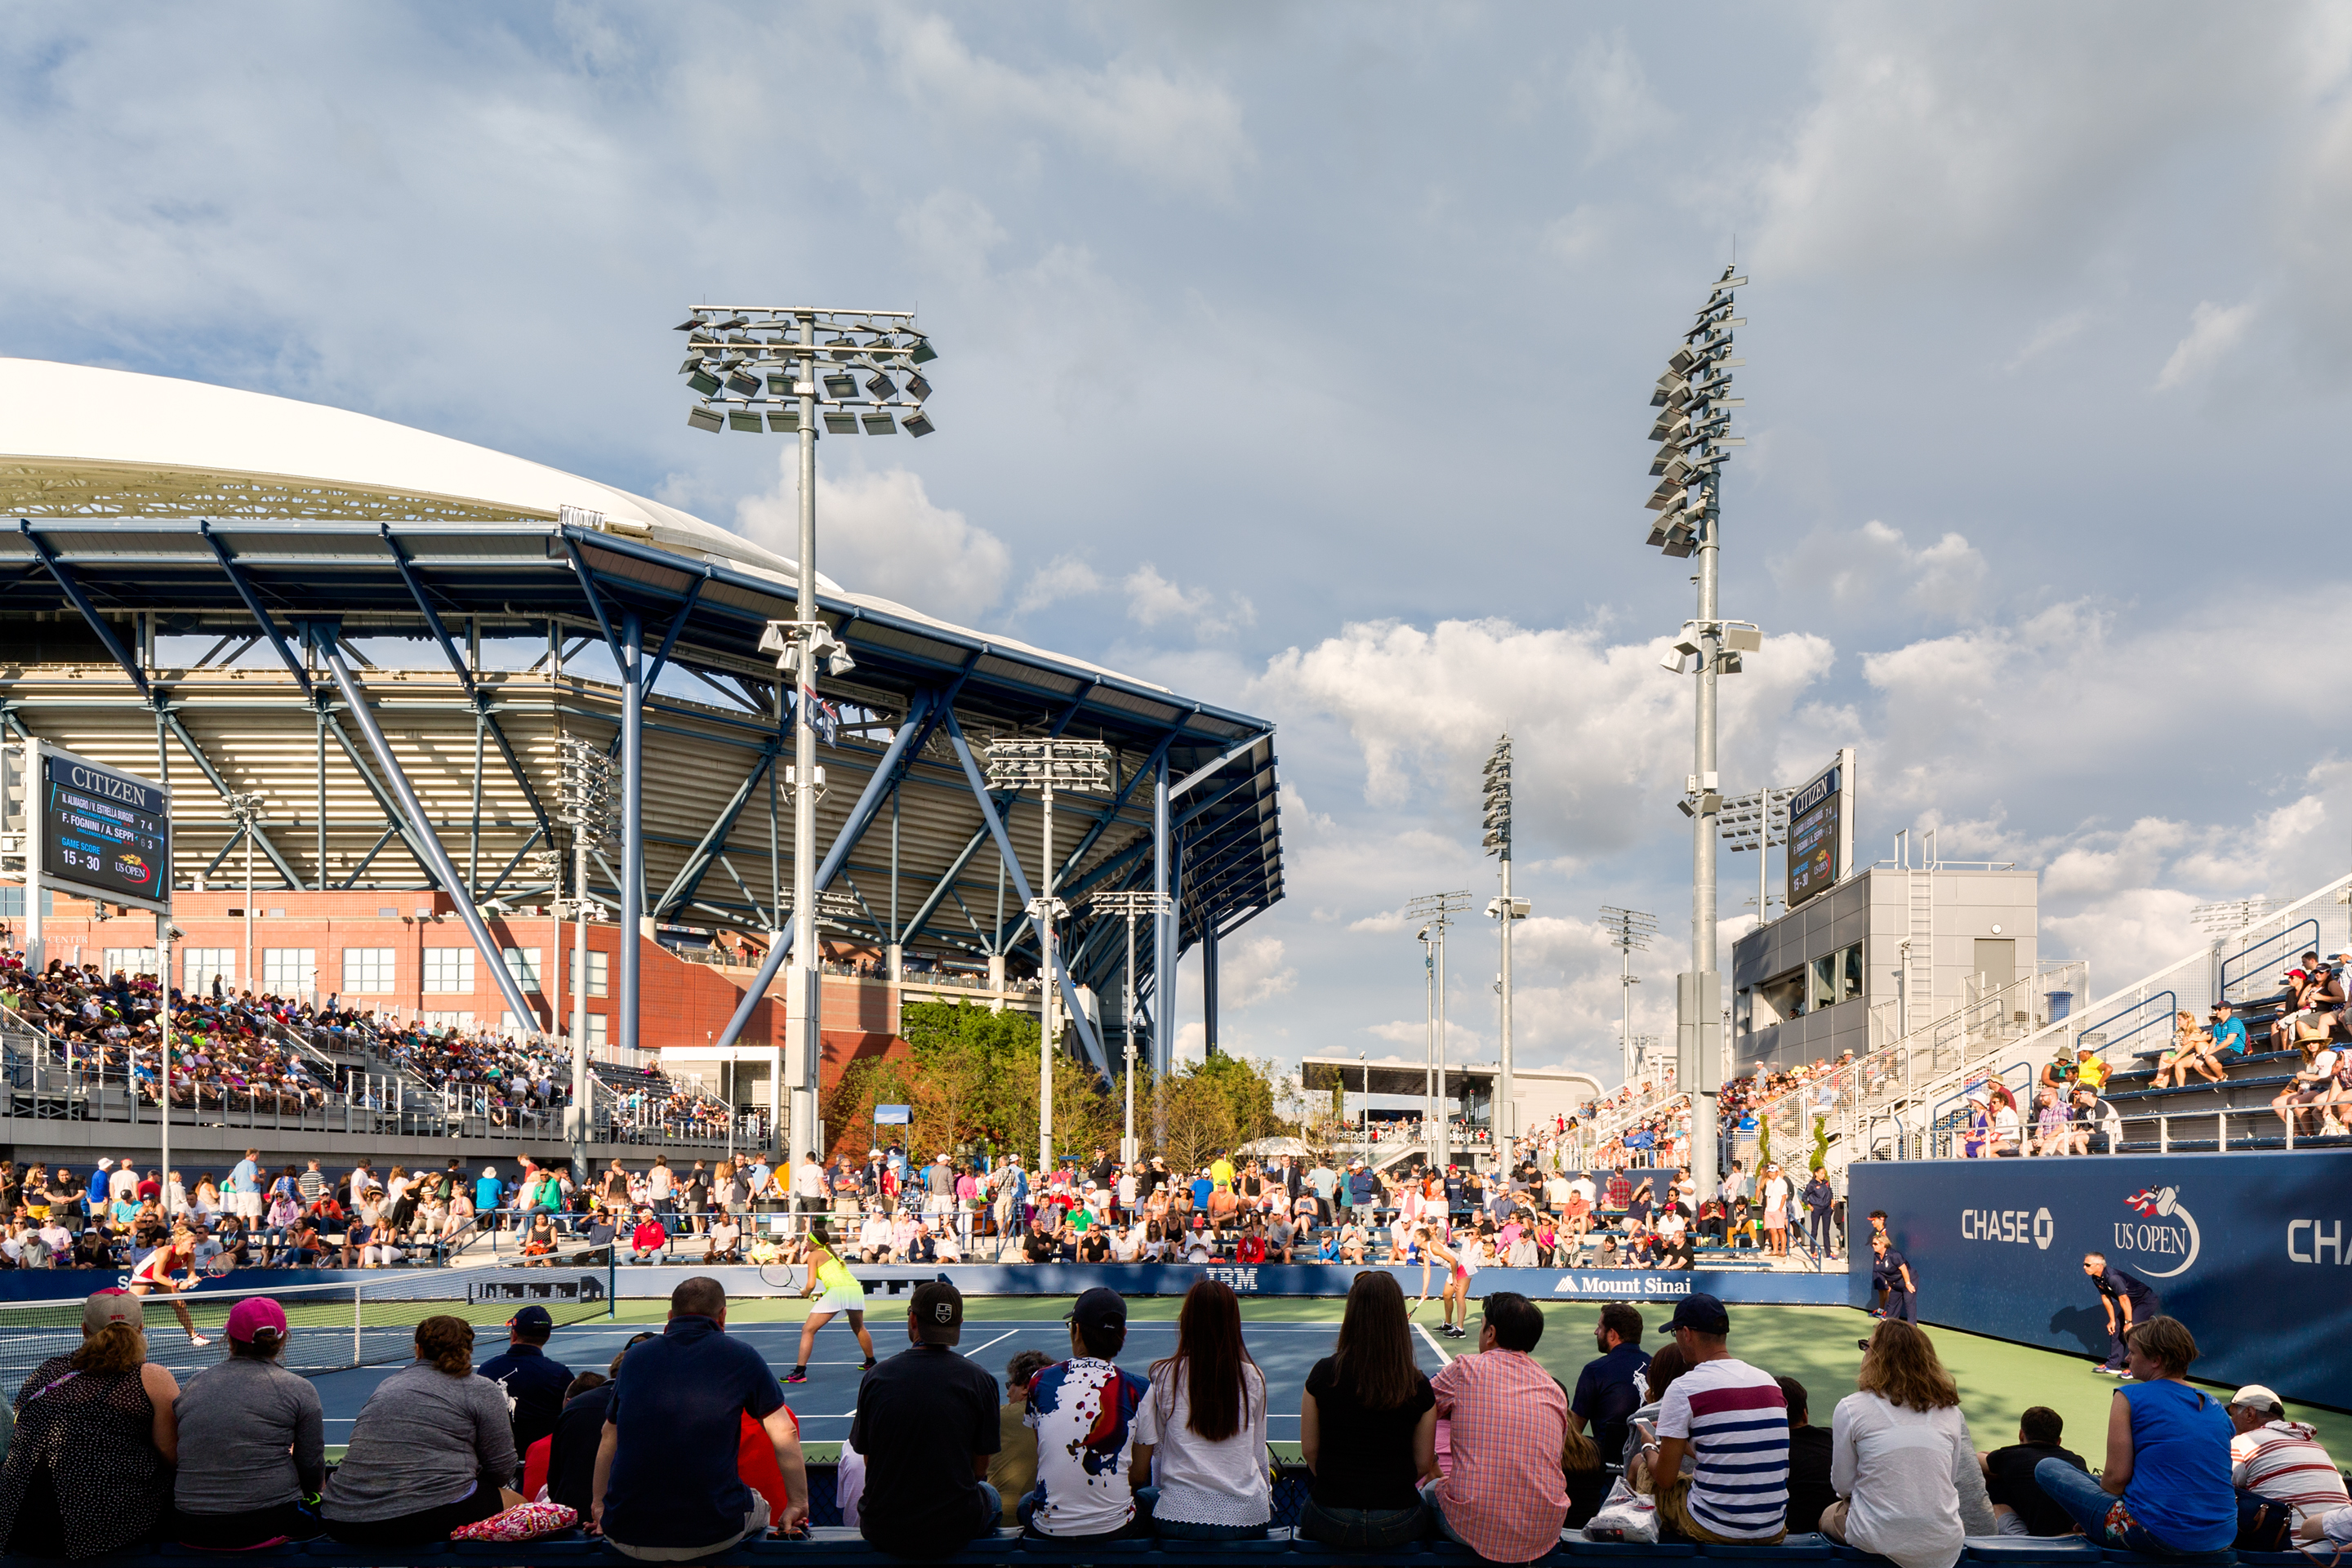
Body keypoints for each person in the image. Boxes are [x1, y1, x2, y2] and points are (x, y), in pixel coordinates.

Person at [593, 1276, 810, 1558]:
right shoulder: (742, 1356)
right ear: (723, 1316)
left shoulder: (634, 1359)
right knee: (760, 1504)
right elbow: (785, 1432)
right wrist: (798, 1502)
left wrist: (599, 1506)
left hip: (624, 1531)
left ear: (670, 1316)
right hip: (714, 1532)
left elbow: (608, 1435)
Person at [0, 1290, 179, 1558]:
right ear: (142, 1328)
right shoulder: (152, 1377)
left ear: (84, 1329)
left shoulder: (47, 1371)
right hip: (99, 1533)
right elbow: (171, 1455)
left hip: (17, 1525)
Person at [2034, 1316, 2234, 1554]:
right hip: (2221, 1537)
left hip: (2154, 1534)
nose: (2127, 1358)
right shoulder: (2217, 1407)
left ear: (2156, 1361)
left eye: (2134, 1353)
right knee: (2091, 1481)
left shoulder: (2129, 1396)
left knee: (2047, 1467)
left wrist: (2092, 1513)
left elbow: (2115, 1481)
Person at [319, 1316, 520, 1545]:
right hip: (421, 1518)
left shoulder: (388, 1385)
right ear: (468, 1350)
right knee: (521, 1506)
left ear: (418, 1348)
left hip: (341, 1518)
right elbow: (502, 1470)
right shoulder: (480, 1388)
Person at [1817, 1321, 1994, 1568]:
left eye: (1867, 1346)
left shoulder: (1851, 1407)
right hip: (1944, 1541)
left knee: (1829, 1515)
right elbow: (1948, 1478)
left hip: (1875, 1536)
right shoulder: (1951, 1411)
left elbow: (1843, 1484)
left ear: (1876, 1357)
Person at [850, 1281, 1002, 1557]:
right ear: (960, 1324)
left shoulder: (876, 1377)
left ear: (913, 1319)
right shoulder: (981, 1381)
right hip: (956, 1525)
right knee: (992, 1495)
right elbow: (979, 1472)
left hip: (883, 1524)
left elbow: (870, 1461)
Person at [170, 1298, 327, 1548]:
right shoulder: (299, 1389)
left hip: (191, 1526)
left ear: (229, 1340)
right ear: (282, 1340)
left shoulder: (193, 1384)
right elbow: (311, 1467)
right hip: (269, 1523)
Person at [1424, 1291, 1568, 1561]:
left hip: (1473, 1523)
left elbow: (1418, 1407)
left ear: (1490, 1333)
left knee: (1428, 1491)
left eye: (1481, 1327)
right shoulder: (1553, 1389)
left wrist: (1431, 1464)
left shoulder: (1465, 1367)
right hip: (1544, 1529)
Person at [1299, 1270, 1436, 1550]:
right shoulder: (1418, 1385)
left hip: (1329, 1516)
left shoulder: (1323, 1373)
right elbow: (1423, 1464)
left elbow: (1310, 1452)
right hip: (1398, 1519)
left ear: (1352, 1314)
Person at [1638, 1292, 1788, 1544]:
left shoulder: (1684, 1387)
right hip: (1772, 1528)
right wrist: (1685, 1448)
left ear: (1687, 1333)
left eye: (1676, 1334)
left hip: (1714, 1527)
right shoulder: (1769, 1382)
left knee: (1643, 1469)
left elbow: (1664, 1479)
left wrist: (1648, 1446)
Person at [1135, 1278, 1272, 1539]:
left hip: (1179, 1519)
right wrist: (1265, 1498)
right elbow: (1258, 1451)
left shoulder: (1164, 1376)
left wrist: (1167, 1499)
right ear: (1233, 1323)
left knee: (1146, 1498)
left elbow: (1159, 1455)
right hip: (1247, 1519)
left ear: (1187, 1321)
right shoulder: (1253, 1377)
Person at [1021, 1287, 1150, 1542]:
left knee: (1026, 1502)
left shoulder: (1040, 1380)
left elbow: (1044, 1451)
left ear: (1076, 1330)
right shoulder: (1139, 1388)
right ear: (1123, 1334)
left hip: (1049, 1527)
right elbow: (1137, 1476)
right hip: (1116, 1527)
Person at [2226, 1383, 2347, 1549]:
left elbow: (2216, 1493)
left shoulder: (2242, 1443)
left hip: (2292, 1549)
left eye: (2232, 1415)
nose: (2230, 1422)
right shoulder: (2316, 1445)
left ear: (2249, 1413)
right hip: (2344, 1547)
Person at [478, 1304, 575, 1467]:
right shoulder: (560, 1374)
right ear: (548, 1336)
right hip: (542, 1462)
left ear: (514, 1334)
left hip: (495, 1461)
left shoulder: (487, 1369)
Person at [785, 1219, 874, 1384]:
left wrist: (806, 1292)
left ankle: (799, 1372)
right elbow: (837, 1280)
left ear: (815, 1243)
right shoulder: (832, 1254)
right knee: (859, 1327)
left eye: (808, 1240)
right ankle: (871, 1362)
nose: (806, 1242)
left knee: (808, 1330)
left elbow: (810, 1285)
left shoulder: (814, 1255)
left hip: (839, 1291)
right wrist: (822, 1295)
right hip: (854, 1289)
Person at [1982, 1405, 2089, 1537]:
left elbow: (1977, 1461)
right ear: (2059, 1441)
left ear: (2021, 1434)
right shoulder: (2077, 1461)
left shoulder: (2011, 1457)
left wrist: (2000, 1463)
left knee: (1995, 1489)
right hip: (2080, 1536)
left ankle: (2021, 1541)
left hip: (2043, 1542)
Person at [1569, 1302, 1651, 1468]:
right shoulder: (1657, 1366)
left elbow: (1574, 1430)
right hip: (1650, 1467)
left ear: (1612, 1334)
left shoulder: (1595, 1370)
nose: (1596, 1332)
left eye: (1600, 1327)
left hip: (1608, 1474)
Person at [988, 1351, 1053, 1526]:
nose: (1008, 1393)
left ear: (1025, 1387)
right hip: (1053, 1522)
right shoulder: (1070, 1419)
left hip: (1002, 1521)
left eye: (1010, 1384)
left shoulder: (996, 1417)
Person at [126, 1222, 212, 1346]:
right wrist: (178, 1285)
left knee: (180, 1304)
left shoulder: (191, 1255)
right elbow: (156, 1275)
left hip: (163, 1276)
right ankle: (128, 1338)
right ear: (181, 1242)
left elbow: (191, 1274)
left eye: (195, 1243)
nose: (194, 1246)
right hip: (144, 1276)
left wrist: (193, 1279)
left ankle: (194, 1336)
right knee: (134, 1308)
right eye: (192, 1243)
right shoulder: (165, 1252)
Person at [2084, 1251, 2158, 1375]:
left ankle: (2135, 1369)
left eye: (2087, 1265)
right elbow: (2106, 1298)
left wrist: (2129, 1322)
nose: (2084, 1267)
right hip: (2130, 1304)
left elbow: (2124, 1299)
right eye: (2084, 1264)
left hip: (2146, 1301)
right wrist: (2112, 1320)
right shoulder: (2096, 1277)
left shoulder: (2113, 1278)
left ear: (2099, 1266)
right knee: (2117, 1328)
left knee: (2133, 1331)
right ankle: (2113, 1365)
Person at [1780, 1376, 1836, 1535]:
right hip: (1837, 1537)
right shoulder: (1834, 1438)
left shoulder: (1770, 1452)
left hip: (1791, 1540)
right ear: (1805, 1414)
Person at [1866, 1232, 1918, 1333]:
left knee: (1909, 1302)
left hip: (1908, 1279)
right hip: (1895, 1283)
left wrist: (1908, 1283)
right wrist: (1889, 1284)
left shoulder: (1894, 1255)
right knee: (1892, 1304)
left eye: (1875, 1244)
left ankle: (1913, 1330)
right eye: (1872, 1244)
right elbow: (1883, 1272)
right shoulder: (1876, 1256)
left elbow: (1904, 1269)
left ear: (1883, 1244)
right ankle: (1889, 1327)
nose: (1873, 1246)